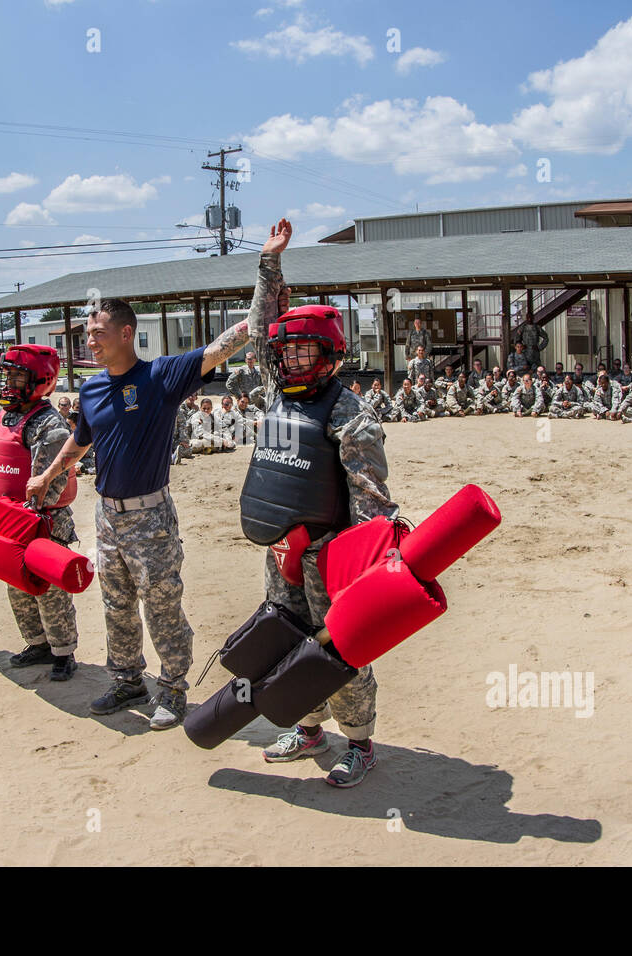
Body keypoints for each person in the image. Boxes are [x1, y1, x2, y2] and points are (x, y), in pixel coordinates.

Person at [26, 294, 239, 730]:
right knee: (115, 604)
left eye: (98, 334)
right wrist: (49, 475)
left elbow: (223, 346)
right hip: (106, 517)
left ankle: (174, 689)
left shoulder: (161, 376)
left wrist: (266, 290)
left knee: (161, 606)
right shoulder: (90, 389)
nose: (90, 342)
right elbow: (81, 441)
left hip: (151, 517)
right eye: (87, 335)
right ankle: (127, 681)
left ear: (127, 333)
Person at [241, 217, 395, 787]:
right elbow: (261, 332)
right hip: (280, 550)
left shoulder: (350, 413)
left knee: (340, 649)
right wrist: (269, 263)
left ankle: (359, 742)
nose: (289, 363)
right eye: (286, 354)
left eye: (303, 353)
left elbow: (373, 500)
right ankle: (308, 730)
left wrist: (364, 570)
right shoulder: (274, 392)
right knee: (283, 639)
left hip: (329, 558)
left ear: (329, 355)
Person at [0, 346, 83, 681]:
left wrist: (28, 515)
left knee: (49, 587)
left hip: (44, 522)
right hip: (8, 519)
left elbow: (52, 480)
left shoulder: (49, 424)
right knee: (17, 584)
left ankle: (63, 651)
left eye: (17, 376)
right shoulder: (4, 417)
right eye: (8, 375)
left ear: (39, 380)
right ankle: (38, 643)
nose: (9, 382)